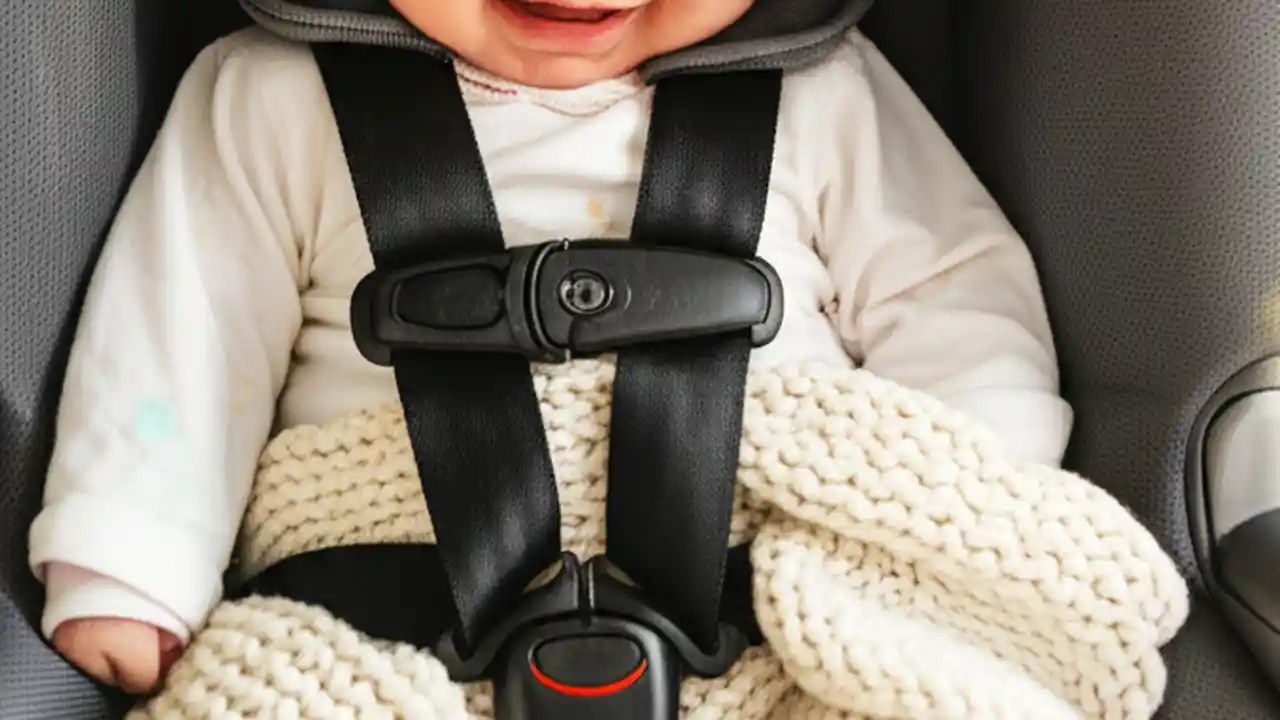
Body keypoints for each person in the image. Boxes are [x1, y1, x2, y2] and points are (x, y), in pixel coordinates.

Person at [29, 0, 1071, 695]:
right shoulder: (269, 95)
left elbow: (951, 306)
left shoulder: (827, 92)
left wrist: (974, 510)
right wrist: (132, 557)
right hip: (371, 632)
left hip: (778, 608)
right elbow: (186, 334)